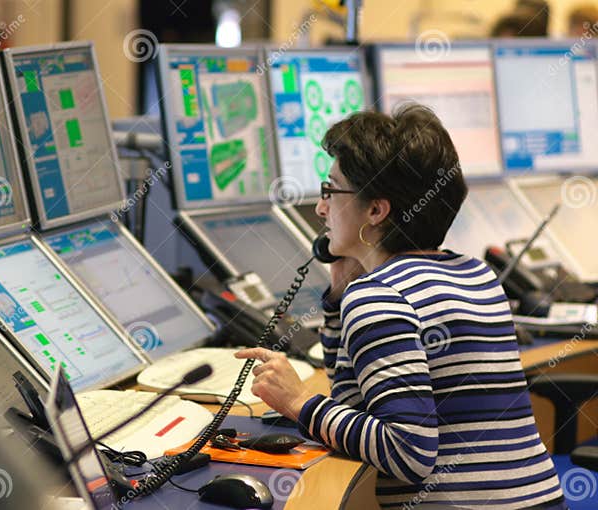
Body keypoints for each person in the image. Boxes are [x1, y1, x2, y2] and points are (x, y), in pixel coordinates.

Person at [236, 104, 566, 509]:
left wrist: (298, 403)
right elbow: (356, 405)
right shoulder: (477, 274)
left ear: (375, 210)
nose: (321, 209)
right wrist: (342, 291)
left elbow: (408, 454)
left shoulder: (380, 296)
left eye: (331, 191)